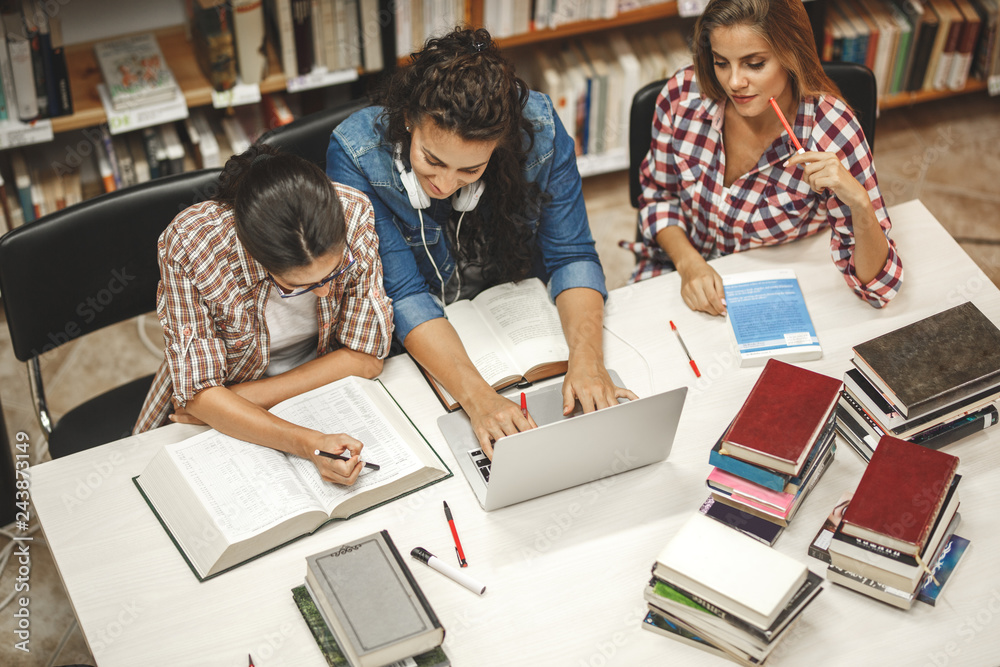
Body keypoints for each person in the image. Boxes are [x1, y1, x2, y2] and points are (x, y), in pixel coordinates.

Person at [327, 27, 636, 457]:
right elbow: (402, 293)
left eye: (470, 171)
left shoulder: (542, 131)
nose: (445, 184)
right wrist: (479, 400)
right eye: (431, 161)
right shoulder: (355, 154)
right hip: (422, 346)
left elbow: (572, 254)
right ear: (409, 120)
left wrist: (588, 360)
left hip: (520, 324)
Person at [133, 145, 394, 486]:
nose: (324, 292)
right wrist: (309, 443)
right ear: (256, 255)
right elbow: (198, 392)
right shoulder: (191, 244)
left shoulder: (353, 212)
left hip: (273, 399)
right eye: (296, 285)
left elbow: (367, 358)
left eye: (333, 274)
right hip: (246, 415)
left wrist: (234, 401)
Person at [628, 0, 903, 314]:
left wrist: (861, 204)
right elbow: (657, 196)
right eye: (721, 62)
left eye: (754, 64)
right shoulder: (683, 94)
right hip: (676, 266)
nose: (734, 82)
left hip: (768, 283)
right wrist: (689, 263)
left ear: (791, 55)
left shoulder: (831, 131)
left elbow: (880, 287)